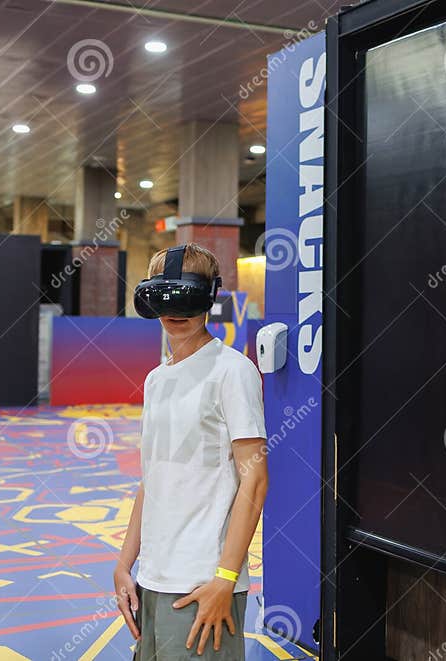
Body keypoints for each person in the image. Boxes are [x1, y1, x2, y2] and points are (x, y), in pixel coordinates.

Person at [114, 243, 268, 659]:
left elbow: (254, 477)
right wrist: (126, 565)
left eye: (188, 296)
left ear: (209, 296)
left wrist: (225, 578)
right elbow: (153, 478)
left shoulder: (232, 371)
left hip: (203, 581)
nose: (175, 311)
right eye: (165, 296)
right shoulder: (155, 380)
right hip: (153, 579)